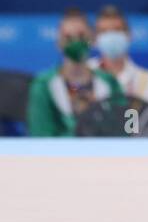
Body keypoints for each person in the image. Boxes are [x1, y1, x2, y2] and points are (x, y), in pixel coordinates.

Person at [26, 8, 124, 137]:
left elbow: (126, 131)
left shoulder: (110, 82)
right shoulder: (42, 86)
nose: (75, 42)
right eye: (68, 37)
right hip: (58, 157)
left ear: (92, 40)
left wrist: (98, 116)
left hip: (104, 155)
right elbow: (40, 137)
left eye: (81, 36)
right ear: (58, 43)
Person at [87, 4, 148, 107]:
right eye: (104, 31)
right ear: (95, 39)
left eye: (117, 30)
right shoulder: (85, 73)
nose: (110, 36)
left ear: (129, 35)